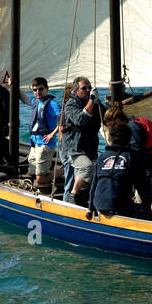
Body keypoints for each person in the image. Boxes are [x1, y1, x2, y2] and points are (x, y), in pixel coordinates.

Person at [87, 122, 152, 222]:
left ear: (111, 138)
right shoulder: (131, 158)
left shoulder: (102, 156)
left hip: (99, 206)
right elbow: (144, 188)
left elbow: (94, 184)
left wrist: (90, 208)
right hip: (120, 208)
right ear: (128, 139)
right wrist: (146, 209)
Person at [12, 76, 60, 196]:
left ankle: (62, 172)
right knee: (32, 171)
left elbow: (63, 119)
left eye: (40, 89)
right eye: (35, 90)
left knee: (40, 178)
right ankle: (41, 188)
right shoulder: (36, 102)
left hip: (45, 144)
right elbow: (25, 99)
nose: (37, 92)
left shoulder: (52, 104)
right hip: (35, 143)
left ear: (47, 89)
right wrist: (15, 86)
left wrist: (52, 134)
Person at [58, 76, 101, 206]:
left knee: (90, 181)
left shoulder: (92, 103)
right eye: (84, 88)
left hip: (89, 148)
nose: (88, 90)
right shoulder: (71, 105)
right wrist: (92, 100)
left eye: (89, 87)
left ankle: (87, 205)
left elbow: (105, 117)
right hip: (73, 150)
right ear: (76, 91)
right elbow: (80, 119)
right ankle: (68, 205)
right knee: (72, 182)